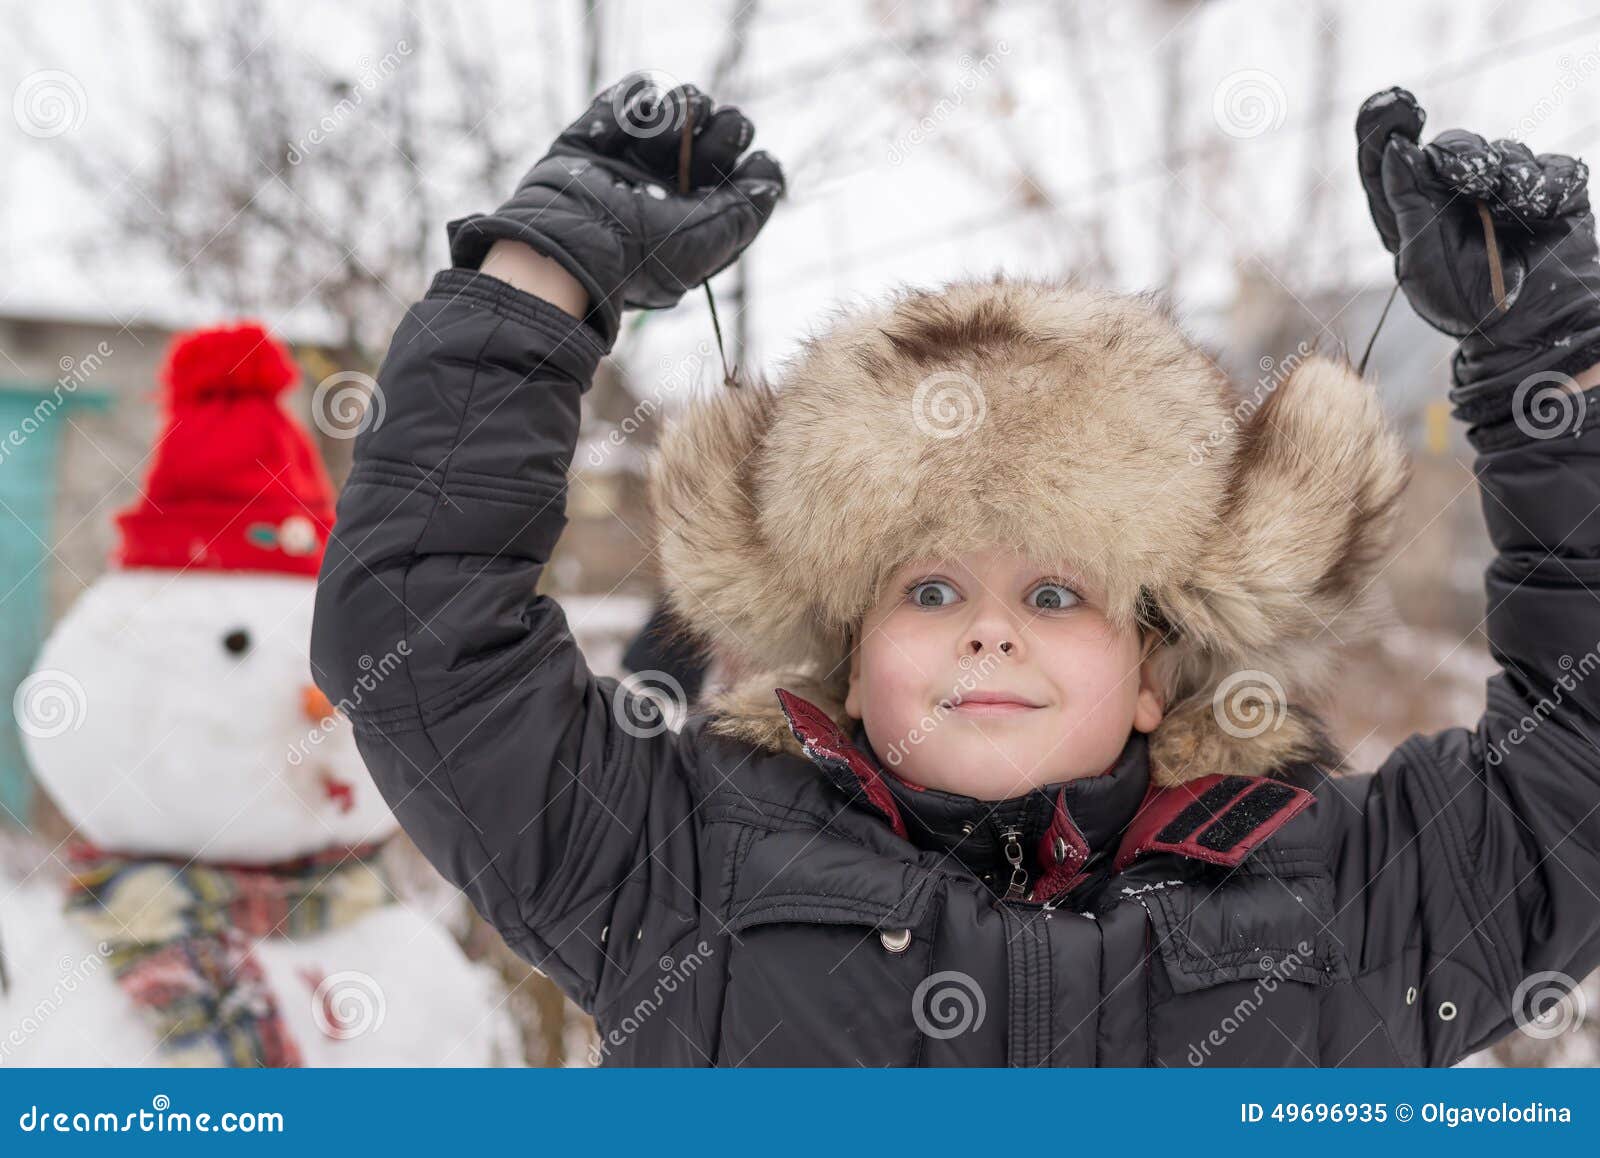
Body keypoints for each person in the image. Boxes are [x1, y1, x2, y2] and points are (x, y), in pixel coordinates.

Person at [311, 79, 1600, 1065]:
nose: (991, 633)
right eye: (930, 591)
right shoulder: (679, 869)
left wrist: (1558, 362)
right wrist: (542, 278)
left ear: (1154, 668)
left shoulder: (1359, 902)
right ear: (850, 653)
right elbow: (424, 651)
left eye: (1057, 593)